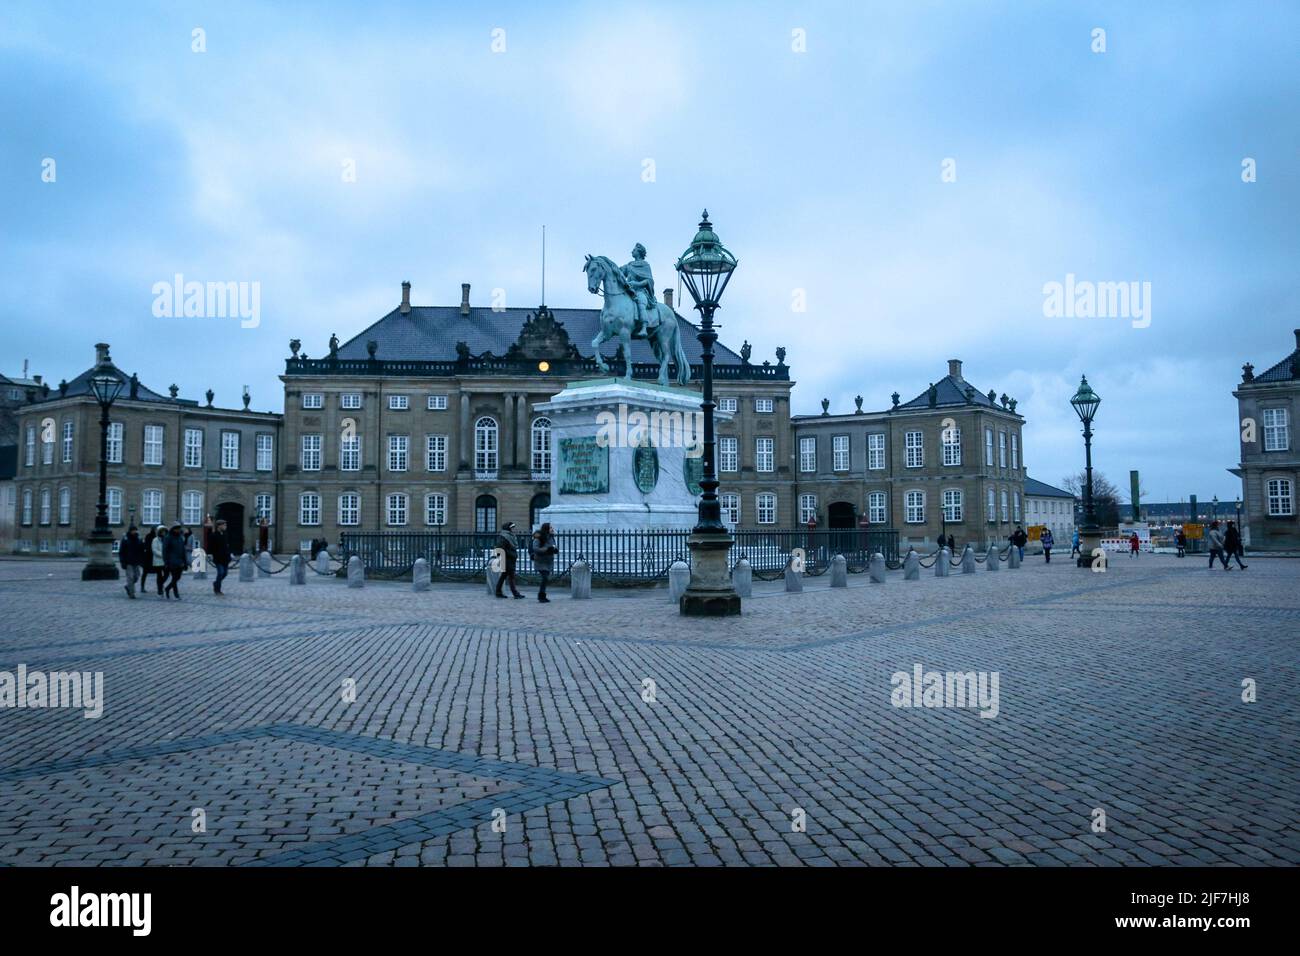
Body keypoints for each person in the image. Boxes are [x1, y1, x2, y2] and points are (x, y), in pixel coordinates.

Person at [494, 521, 524, 599]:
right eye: (512, 527)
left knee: (504, 576)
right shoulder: (504, 536)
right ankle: (515, 593)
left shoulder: (510, 536)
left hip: (510, 558)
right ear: (508, 528)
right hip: (507, 559)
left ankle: (498, 592)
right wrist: (509, 554)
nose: (513, 529)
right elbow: (500, 548)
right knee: (511, 576)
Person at [531, 522, 559, 603]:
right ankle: (541, 596)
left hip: (548, 560)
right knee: (545, 578)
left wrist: (555, 550)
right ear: (546, 529)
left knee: (545, 579)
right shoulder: (539, 538)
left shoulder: (551, 537)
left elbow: (553, 546)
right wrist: (547, 549)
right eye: (550, 528)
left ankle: (542, 595)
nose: (552, 529)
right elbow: (535, 548)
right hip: (540, 561)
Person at [119, 525, 146, 598]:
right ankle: (132, 593)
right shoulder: (125, 539)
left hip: (136, 561)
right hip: (128, 562)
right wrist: (122, 562)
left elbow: (142, 550)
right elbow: (121, 552)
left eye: (135, 530)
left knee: (136, 577)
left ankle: (128, 586)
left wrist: (142, 561)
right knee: (130, 577)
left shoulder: (138, 539)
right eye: (133, 530)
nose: (134, 531)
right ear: (130, 531)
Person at [210, 519, 233, 595]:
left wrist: (229, 554)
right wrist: (214, 556)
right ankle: (217, 590)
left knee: (225, 573)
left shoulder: (225, 534)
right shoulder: (213, 535)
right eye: (224, 525)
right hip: (218, 559)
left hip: (225, 558)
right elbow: (212, 548)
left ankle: (216, 583)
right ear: (219, 526)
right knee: (220, 573)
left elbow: (227, 546)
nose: (225, 526)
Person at [162, 524, 186, 598]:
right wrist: (166, 562)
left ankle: (167, 588)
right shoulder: (168, 538)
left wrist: (184, 561)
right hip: (171, 561)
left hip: (180, 561)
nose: (178, 530)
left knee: (177, 578)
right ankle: (176, 593)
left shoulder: (180, 538)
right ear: (173, 529)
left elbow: (183, 550)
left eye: (179, 529)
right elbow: (165, 551)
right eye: (177, 529)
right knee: (174, 577)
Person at [150, 524, 168, 596]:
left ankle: (161, 584)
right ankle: (159, 589)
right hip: (158, 561)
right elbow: (154, 550)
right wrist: (163, 555)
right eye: (162, 531)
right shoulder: (155, 540)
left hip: (165, 561)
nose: (163, 533)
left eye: (164, 531)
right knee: (159, 575)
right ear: (159, 532)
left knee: (166, 575)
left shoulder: (167, 539)